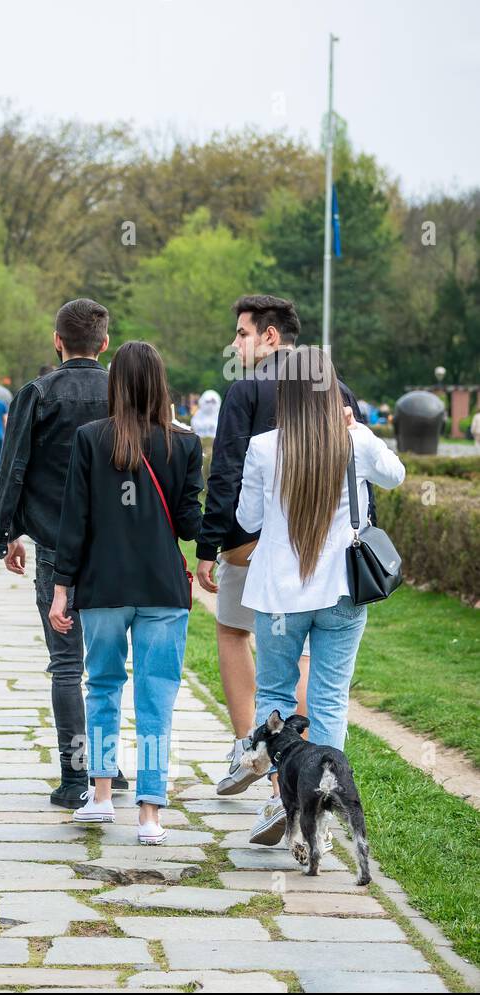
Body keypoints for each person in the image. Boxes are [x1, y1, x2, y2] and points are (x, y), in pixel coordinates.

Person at [194, 295, 367, 844]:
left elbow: (225, 472)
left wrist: (209, 545)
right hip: (332, 564)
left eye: (242, 334)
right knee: (320, 674)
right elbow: (359, 477)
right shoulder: (338, 391)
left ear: (271, 338)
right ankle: (308, 780)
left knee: (235, 633)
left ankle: (254, 751)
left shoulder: (246, 391)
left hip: (260, 550)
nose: (235, 345)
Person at [236, 350, 403, 849]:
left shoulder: (264, 448)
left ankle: (279, 797)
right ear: (333, 392)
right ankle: (320, 815)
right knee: (330, 701)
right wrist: (359, 429)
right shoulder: (353, 442)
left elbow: (246, 520)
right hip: (342, 592)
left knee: (275, 697)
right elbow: (395, 476)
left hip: (280, 595)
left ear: (284, 394)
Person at [49, 341, 204, 844]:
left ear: (115, 384)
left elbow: (75, 521)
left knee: (102, 687)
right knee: (158, 697)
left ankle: (99, 795)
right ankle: (151, 813)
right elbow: (188, 522)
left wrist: (60, 589)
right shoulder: (184, 443)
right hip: (162, 587)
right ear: (162, 385)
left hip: (104, 586)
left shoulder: (91, 439)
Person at [0, 298, 117, 809]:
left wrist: (6, 534)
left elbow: (14, 465)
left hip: (56, 542)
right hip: (115, 542)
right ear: (104, 343)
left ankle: (75, 775)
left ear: (56, 340)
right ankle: (110, 767)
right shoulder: (121, 391)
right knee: (110, 663)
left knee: (66, 662)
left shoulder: (38, 393)